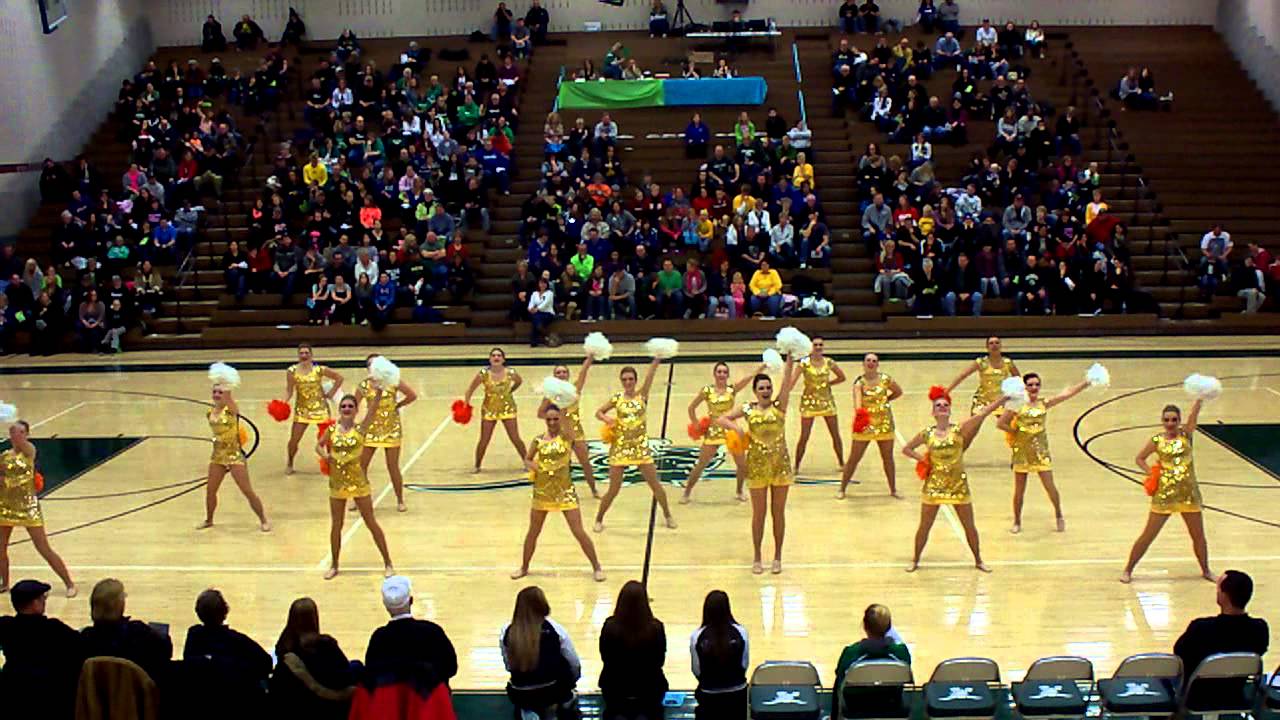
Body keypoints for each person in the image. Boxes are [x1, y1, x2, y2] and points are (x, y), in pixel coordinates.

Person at [902, 386, 1007, 572]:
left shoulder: (959, 429)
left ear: (949, 410)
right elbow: (907, 449)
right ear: (933, 412)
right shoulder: (927, 433)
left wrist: (1002, 399)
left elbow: (982, 413)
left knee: (969, 526)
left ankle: (978, 560)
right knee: (924, 527)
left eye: (945, 405)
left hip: (958, 485)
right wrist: (924, 460)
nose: (942, 407)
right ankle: (915, 560)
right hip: (934, 486)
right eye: (938, 405)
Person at [718, 355, 799, 574]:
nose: (765, 390)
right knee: (758, 514)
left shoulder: (779, 406)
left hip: (780, 465)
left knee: (778, 513)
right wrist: (738, 430)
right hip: (756, 466)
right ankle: (757, 556)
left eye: (768, 387)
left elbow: (787, 383)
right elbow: (722, 419)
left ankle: (778, 556)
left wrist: (790, 359)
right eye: (761, 387)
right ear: (755, 391)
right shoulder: (747, 408)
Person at [1121, 398, 1214, 583]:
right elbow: (1140, 458)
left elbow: (1193, 417)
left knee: (1198, 537)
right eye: (1167, 420)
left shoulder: (1186, 435)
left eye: (1174, 420)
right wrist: (1152, 474)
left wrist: (1199, 400)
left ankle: (1206, 570)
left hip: (1188, 494)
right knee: (1148, 535)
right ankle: (1128, 569)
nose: (1170, 423)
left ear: (1179, 421)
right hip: (1164, 495)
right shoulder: (1157, 440)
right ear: (1162, 421)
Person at [512, 404, 605, 581]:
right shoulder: (538, 440)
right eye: (549, 419)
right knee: (533, 532)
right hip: (542, 492)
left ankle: (597, 566)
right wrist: (535, 467)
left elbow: (570, 426)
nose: (553, 422)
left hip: (565, 492)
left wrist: (563, 403)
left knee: (578, 531)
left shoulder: (567, 437)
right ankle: (524, 567)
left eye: (556, 419)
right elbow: (527, 459)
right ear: (544, 420)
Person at [996, 373, 1089, 534]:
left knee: (1050, 487)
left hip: (1041, 451)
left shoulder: (1043, 403)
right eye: (1030, 385)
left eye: (1036, 385)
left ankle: (1059, 515)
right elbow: (1000, 423)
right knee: (1019, 490)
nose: (1033, 388)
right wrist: (1015, 431)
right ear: (1024, 387)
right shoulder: (1017, 405)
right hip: (1022, 452)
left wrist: (1086, 383)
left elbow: (1066, 394)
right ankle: (1017, 521)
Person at [316, 390, 395, 579]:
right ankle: (334, 564)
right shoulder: (332, 429)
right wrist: (325, 455)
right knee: (337, 524)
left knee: (371, 522)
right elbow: (318, 445)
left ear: (356, 410)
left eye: (350, 406)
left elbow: (374, 409)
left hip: (358, 481)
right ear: (339, 409)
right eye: (343, 406)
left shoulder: (361, 429)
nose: (346, 409)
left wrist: (378, 394)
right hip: (337, 482)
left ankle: (388, 562)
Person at [594, 358, 677, 531]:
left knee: (656, 486)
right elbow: (598, 412)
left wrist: (656, 360)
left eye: (631, 379)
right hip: (620, 448)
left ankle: (668, 515)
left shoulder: (642, 395)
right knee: (613, 489)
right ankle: (599, 519)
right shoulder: (617, 398)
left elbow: (650, 377)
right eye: (624, 379)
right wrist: (607, 419)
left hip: (640, 448)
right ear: (621, 381)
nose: (628, 382)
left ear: (635, 380)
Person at [0, 420, 76, 596]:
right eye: (13, 432)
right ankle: (4, 583)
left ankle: (69, 583)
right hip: (6, 506)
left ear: (26, 434)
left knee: (43, 548)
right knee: (1, 548)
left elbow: (25, 449)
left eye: (20, 432)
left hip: (28, 507)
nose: (15, 435)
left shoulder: (30, 451)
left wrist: (20, 441)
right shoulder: (4, 456)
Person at [0, 579, 84, 716]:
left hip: (13, 695)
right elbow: (80, 645)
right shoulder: (54, 629)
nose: (45, 601)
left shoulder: (6, 626)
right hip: (50, 698)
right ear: (35, 604)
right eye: (42, 598)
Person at [1173, 570, 1269, 690]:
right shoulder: (1260, 629)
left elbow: (1179, 654)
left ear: (1224, 595)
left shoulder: (1200, 628)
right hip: (1236, 695)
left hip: (1197, 698)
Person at [682, 362, 761, 503]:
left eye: (725, 372)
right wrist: (697, 425)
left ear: (728, 375)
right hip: (713, 432)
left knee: (742, 464)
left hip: (731, 430)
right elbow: (691, 408)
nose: (722, 374)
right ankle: (687, 492)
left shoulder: (732, 390)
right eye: (719, 372)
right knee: (701, 464)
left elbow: (747, 379)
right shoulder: (707, 391)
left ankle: (739, 491)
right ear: (714, 374)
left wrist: (761, 368)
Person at [198, 379, 270, 531]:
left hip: (234, 455)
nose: (217, 395)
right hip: (217, 456)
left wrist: (226, 385)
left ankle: (263, 519)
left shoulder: (231, 410)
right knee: (210, 490)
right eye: (215, 392)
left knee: (247, 491)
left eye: (220, 392)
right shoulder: (209, 412)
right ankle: (209, 519)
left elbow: (231, 402)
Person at [182, 588, 273, 711]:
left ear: (198, 612)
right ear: (225, 611)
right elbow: (266, 663)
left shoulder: (194, 636)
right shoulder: (237, 640)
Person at [365, 575, 458, 683]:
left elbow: (371, 674)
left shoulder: (379, 638)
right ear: (411, 600)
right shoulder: (432, 631)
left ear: (385, 605)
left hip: (393, 699)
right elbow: (451, 668)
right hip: (429, 698)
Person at [81, 578, 173, 684]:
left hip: (95, 698)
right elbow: (165, 653)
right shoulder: (139, 632)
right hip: (137, 696)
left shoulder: (84, 637)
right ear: (119, 604)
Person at [356, 354, 418, 513]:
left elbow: (412, 395)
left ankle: (400, 500)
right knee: (361, 466)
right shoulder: (363, 385)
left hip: (391, 429)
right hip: (371, 430)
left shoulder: (393, 381)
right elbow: (354, 405)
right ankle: (359, 499)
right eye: (370, 364)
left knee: (393, 466)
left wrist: (398, 406)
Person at [599, 580, 668, 719]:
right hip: (650, 691)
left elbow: (605, 656)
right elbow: (660, 660)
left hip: (614, 690)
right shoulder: (656, 628)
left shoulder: (609, 626)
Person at [840, 353, 904, 498]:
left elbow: (898, 392)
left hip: (884, 423)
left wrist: (885, 401)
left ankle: (893, 489)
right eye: (868, 360)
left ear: (878, 364)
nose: (871, 363)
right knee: (854, 458)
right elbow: (857, 403)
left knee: (888, 457)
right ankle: (842, 488)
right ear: (863, 363)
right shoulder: (859, 383)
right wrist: (861, 415)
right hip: (866, 424)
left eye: (874, 361)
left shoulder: (886, 379)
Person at [832, 604, 911, 720]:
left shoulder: (850, 652)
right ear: (889, 627)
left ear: (865, 626)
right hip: (891, 702)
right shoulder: (901, 652)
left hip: (855, 704)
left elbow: (839, 678)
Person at [538, 359, 599, 498]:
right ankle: (558, 490)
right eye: (558, 372)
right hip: (559, 435)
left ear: (568, 375)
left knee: (585, 463)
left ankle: (594, 490)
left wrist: (589, 358)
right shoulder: (550, 396)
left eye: (564, 372)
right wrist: (556, 417)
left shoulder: (574, 389)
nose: (561, 374)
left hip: (576, 432)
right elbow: (540, 413)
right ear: (554, 376)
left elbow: (583, 373)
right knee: (560, 465)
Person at [462, 347, 529, 472]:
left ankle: (527, 462)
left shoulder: (511, 372)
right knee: (484, 439)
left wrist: (510, 391)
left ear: (503, 359)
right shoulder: (483, 374)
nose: (496, 357)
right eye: (493, 355)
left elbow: (519, 381)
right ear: (490, 359)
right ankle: (477, 465)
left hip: (508, 408)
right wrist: (466, 403)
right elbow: (470, 389)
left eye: (499, 355)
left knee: (515, 438)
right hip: (489, 410)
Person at [283, 345, 344, 474]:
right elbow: (289, 391)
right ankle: (290, 462)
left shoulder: (319, 369)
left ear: (311, 355)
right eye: (301, 353)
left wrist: (332, 393)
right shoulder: (291, 371)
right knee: (294, 440)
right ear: (298, 355)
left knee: (328, 440)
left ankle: (331, 464)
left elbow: (339, 378)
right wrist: (283, 402)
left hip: (321, 409)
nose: (304, 355)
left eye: (306, 353)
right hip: (302, 410)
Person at [690, 590, 749, 719]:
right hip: (737, 694)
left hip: (708, 695)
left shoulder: (697, 636)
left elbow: (696, 670)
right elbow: (744, 665)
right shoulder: (741, 632)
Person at [793, 337, 846, 474]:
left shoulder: (829, 362)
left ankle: (842, 462)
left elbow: (842, 377)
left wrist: (829, 384)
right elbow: (792, 382)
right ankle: (796, 466)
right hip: (809, 403)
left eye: (820, 345)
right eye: (815, 345)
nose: (818, 347)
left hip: (827, 402)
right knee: (804, 436)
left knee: (835, 434)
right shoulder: (804, 363)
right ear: (810, 347)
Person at [946, 336, 1020, 414]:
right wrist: (947, 391)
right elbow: (963, 375)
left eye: (997, 343)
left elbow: (1018, 379)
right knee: (973, 423)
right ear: (987, 347)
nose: (994, 345)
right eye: (991, 343)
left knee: (1008, 424)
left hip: (1001, 401)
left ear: (1001, 345)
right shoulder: (981, 362)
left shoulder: (1008, 362)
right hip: (982, 400)